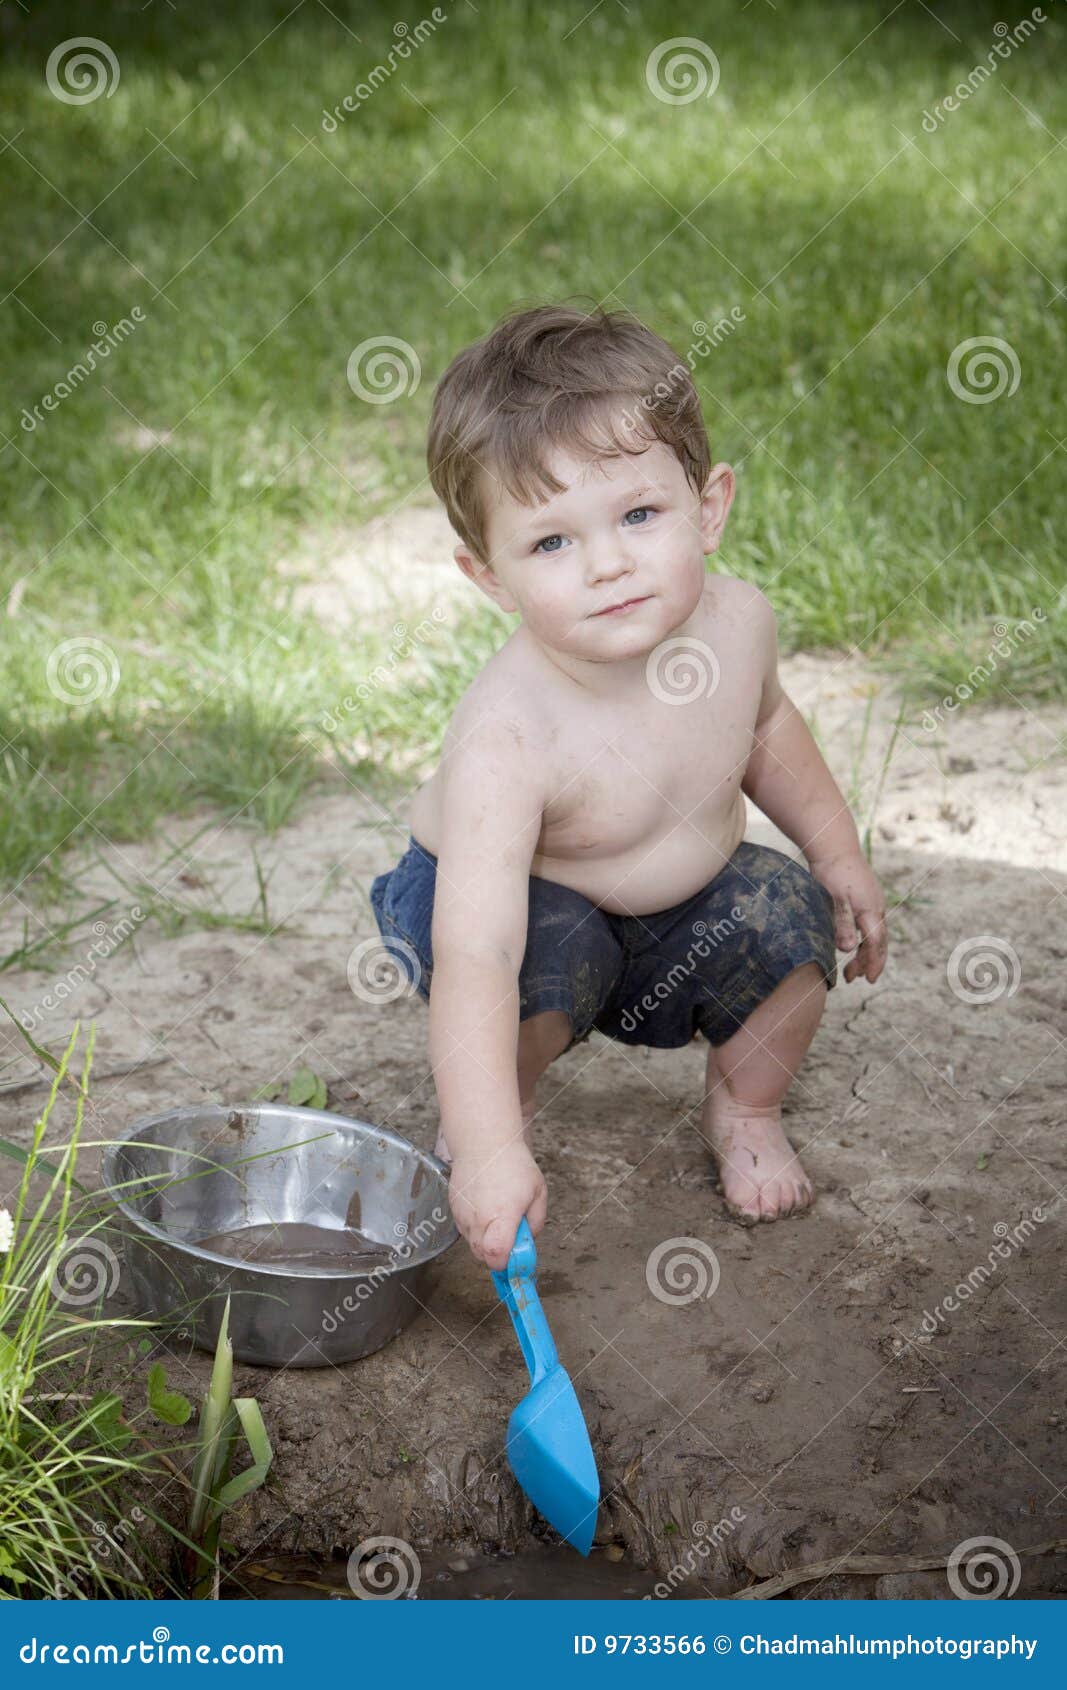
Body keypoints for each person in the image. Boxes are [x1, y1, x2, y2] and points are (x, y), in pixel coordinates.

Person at [371, 302, 887, 1271]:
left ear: (710, 505)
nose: (607, 564)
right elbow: (477, 944)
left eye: (639, 515)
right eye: (551, 543)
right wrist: (485, 1147)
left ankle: (746, 1107)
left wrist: (834, 852)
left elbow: (768, 730)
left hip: (671, 904)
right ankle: (495, 1106)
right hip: (510, 908)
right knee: (540, 961)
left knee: (784, 916)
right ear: (489, 576)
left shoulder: (737, 625)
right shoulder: (509, 731)